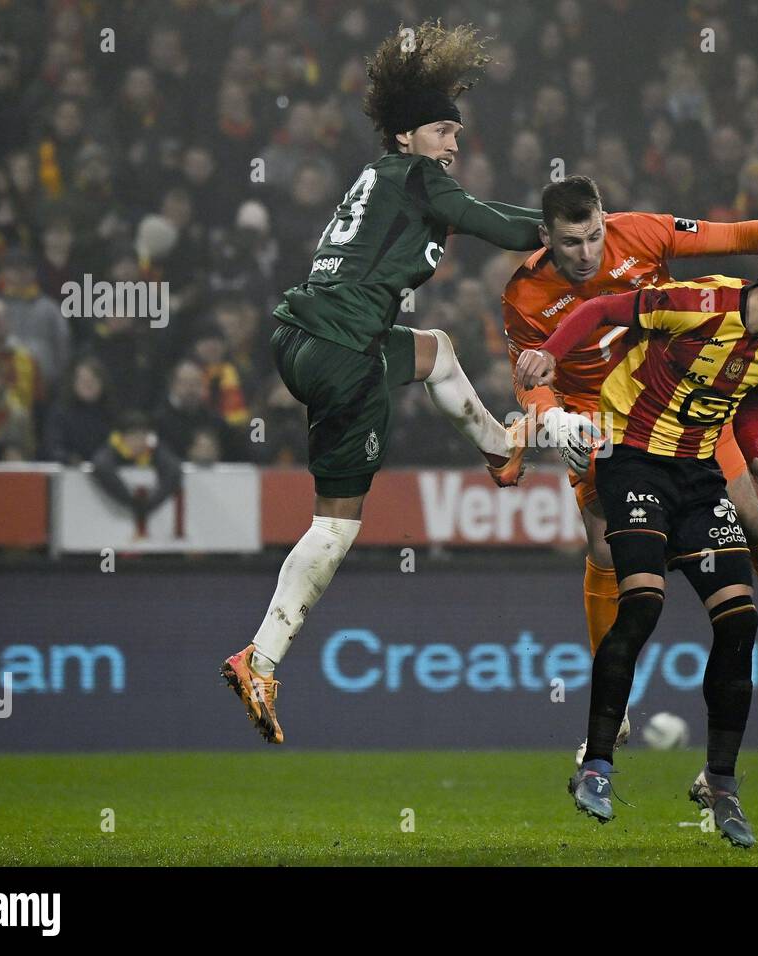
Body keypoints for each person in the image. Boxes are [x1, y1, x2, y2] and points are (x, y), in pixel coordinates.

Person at [222, 21, 545, 745]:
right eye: (440, 130)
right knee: (336, 526)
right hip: (344, 350)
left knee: (434, 351)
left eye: (456, 133)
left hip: (301, 338)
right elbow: (493, 221)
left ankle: (501, 451)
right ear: (405, 136)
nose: (452, 145)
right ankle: (261, 658)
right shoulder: (419, 177)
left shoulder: (376, 177)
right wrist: (578, 225)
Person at [502, 176, 758, 765]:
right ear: (545, 237)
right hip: (599, 417)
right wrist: (551, 423)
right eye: (570, 243)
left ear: (607, 220)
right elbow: (530, 375)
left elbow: (730, 236)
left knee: (756, 524)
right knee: (605, 549)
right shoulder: (525, 295)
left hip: (690, 397)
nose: (586, 254)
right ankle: (616, 711)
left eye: (594, 236)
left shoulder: (643, 233)